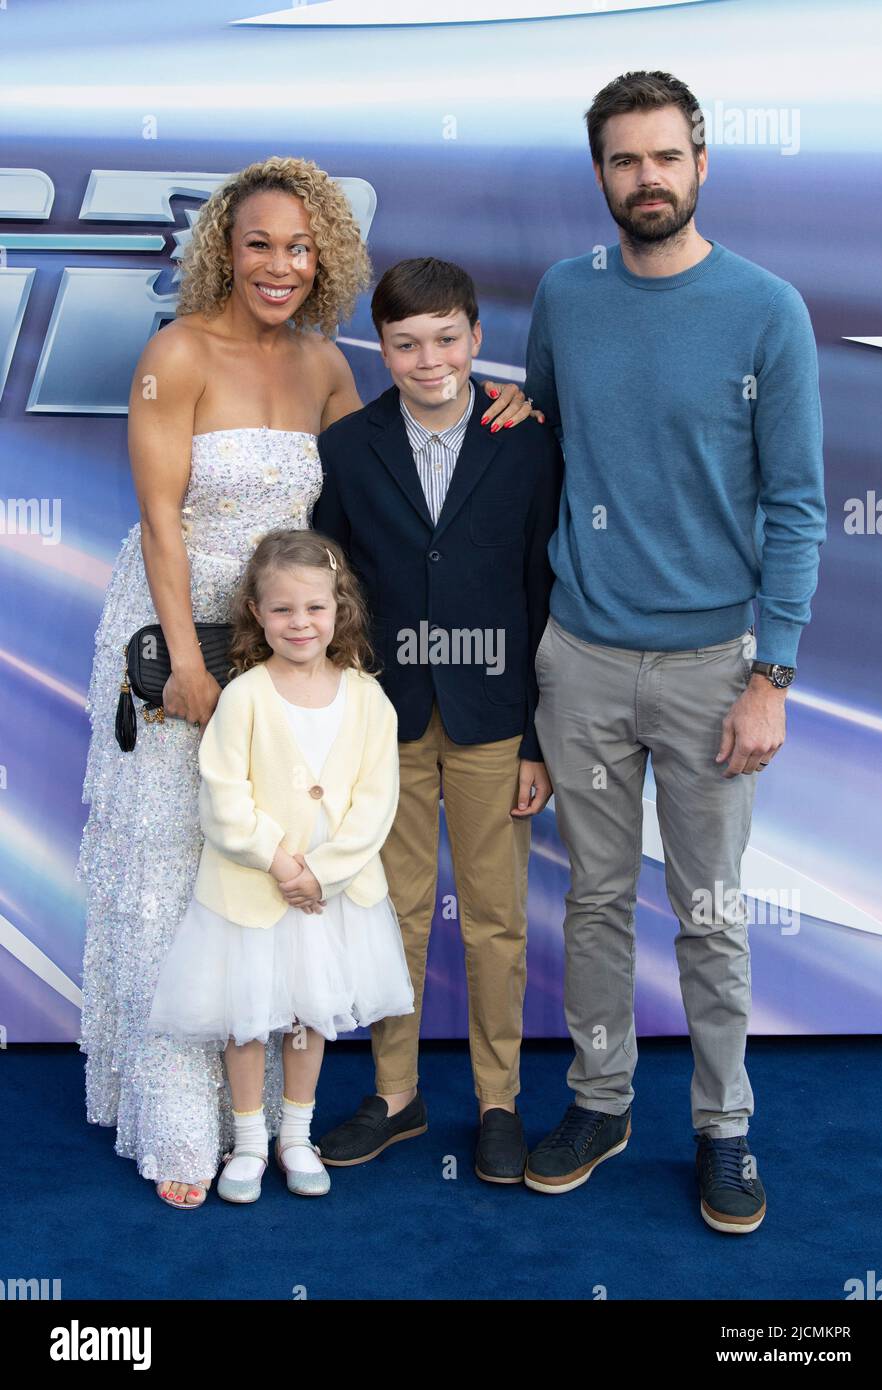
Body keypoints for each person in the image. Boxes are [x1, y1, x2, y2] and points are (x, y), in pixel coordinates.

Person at [76, 155, 527, 1211]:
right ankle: (180, 1121)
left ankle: (272, 1123)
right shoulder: (177, 352)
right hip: (182, 644)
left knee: (259, 871)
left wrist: (491, 404)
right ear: (223, 251)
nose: (279, 264)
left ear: (320, 255)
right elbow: (157, 521)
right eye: (259, 244)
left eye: (299, 246)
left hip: (293, 657)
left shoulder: (328, 365)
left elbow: (383, 466)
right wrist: (190, 659)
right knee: (177, 869)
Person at [522, 71, 826, 1231]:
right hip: (582, 659)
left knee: (708, 910)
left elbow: (796, 506)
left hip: (714, 670)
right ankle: (600, 1100)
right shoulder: (563, 294)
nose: (644, 179)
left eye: (664, 157)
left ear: (702, 164)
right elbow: (543, 443)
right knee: (595, 902)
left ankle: (723, 1128)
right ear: (598, 173)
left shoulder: (766, 310)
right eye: (621, 161)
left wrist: (771, 675)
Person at [313, 257, 563, 1183]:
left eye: (446, 339)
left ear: (476, 338)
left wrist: (538, 736)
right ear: (377, 346)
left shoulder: (527, 439)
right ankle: (396, 1094)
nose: (428, 360)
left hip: (495, 716)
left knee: (496, 917)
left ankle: (498, 1100)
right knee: (394, 913)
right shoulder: (346, 447)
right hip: (388, 718)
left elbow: (542, 589)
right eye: (405, 343)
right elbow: (335, 595)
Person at [146, 530, 413, 1202]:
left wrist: (322, 872)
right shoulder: (245, 697)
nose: (300, 623)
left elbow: (375, 803)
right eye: (283, 610)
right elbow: (223, 797)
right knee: (245, 1015)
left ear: (338, 609)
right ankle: (247, 1143)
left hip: (329, 896)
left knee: (307, 1013)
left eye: (314, 608)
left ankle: (296, 1136)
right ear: (257, 615)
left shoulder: (367, 699)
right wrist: (280, 863)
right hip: (250, 892)